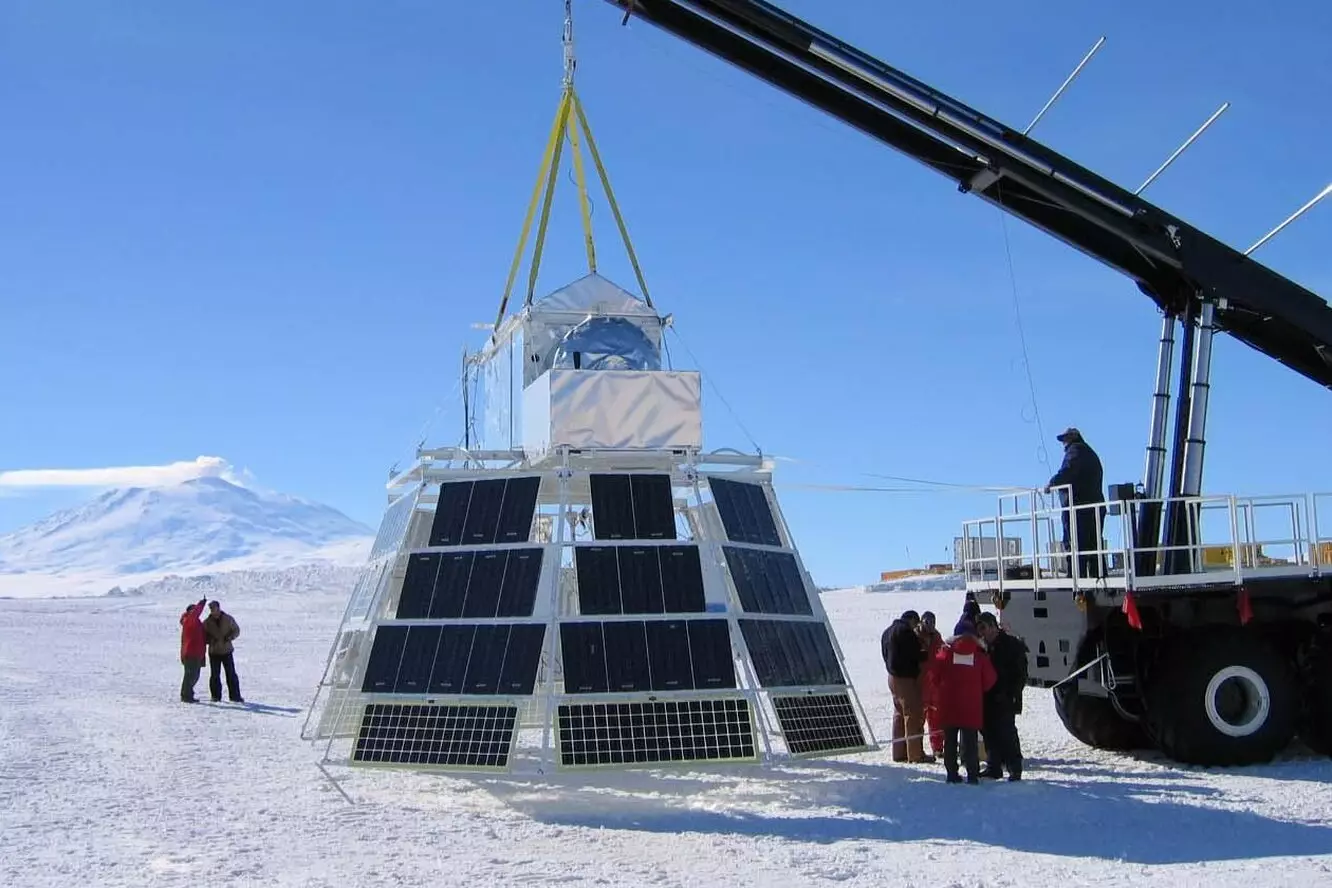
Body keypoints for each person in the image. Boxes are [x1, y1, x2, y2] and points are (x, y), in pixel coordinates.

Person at [933, 618, 996, 784]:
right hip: (971, 706)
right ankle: (973, 775)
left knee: (950, 742)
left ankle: (952, 774)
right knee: (970, 742)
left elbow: (933, 677)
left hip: (948, 706)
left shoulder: (945, 654)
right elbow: (990, 681)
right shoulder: (979, 656)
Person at [1045, 427, 1106, 578]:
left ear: (1073, 438)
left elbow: (1067, 472)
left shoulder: (1075, 451)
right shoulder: (1089, 453)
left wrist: (1051, 484)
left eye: (1065, 439)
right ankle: (1098, 576)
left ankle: (1076, 579)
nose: (1063, 444)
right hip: (1093, 507)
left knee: (1074, 544)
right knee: (1093, 545)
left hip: (1079, 509)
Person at [976, 612, 1028, 781]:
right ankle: (994, 767)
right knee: (988, 732)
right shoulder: (982, 647)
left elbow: (1021, 674)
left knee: (1007, 733)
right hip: (987, 698)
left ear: (993, 626)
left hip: (1006, 697)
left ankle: (1014, 768)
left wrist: (1011, 694)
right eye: (979, 629)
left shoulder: (1011, 645)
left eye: (984, 627)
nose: (982, 632)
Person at [880, 610, 934, 763]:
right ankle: (915, 754)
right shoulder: (906, 632)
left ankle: (899, 753)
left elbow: (885, 654)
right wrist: (926, 650)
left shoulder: (887, 632)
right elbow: (916, 654)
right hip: (905, 678)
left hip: (892, 677)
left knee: (898, 714)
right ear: (912, 620)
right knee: (912, 714)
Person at [203, 600, 244, 704]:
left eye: (214, 608)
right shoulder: (207, 622)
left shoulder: (228, 618)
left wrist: (230, 637)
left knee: (231, 674)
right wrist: (209, 640)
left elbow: (236, 630)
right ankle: (215, 696)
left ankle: (235, 696)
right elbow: (203, 636)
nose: (213, 611)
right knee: (215, 675)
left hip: (227, 651)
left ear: (219, 608)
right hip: (214, 652)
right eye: (211, 609)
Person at [917, 611, 945, 757]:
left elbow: (942, 653)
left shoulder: (936, 637)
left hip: (934, 682)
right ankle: (916, 748)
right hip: (919, 683)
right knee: (918, 718)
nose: (930, 625)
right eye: (927, 622)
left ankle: (937, 747)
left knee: (935, 717)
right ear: (921, 622)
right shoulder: (915, 637)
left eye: (932, 622)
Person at [179, 597, 208, 703]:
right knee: (191, 675)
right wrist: (201, 603)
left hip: (196, 653)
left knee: (194, 676)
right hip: (191, 653)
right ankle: (186, 696)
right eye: (193, 609)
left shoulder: (195, 622)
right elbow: (196, 613)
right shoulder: (189, 620)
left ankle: (188, 694)